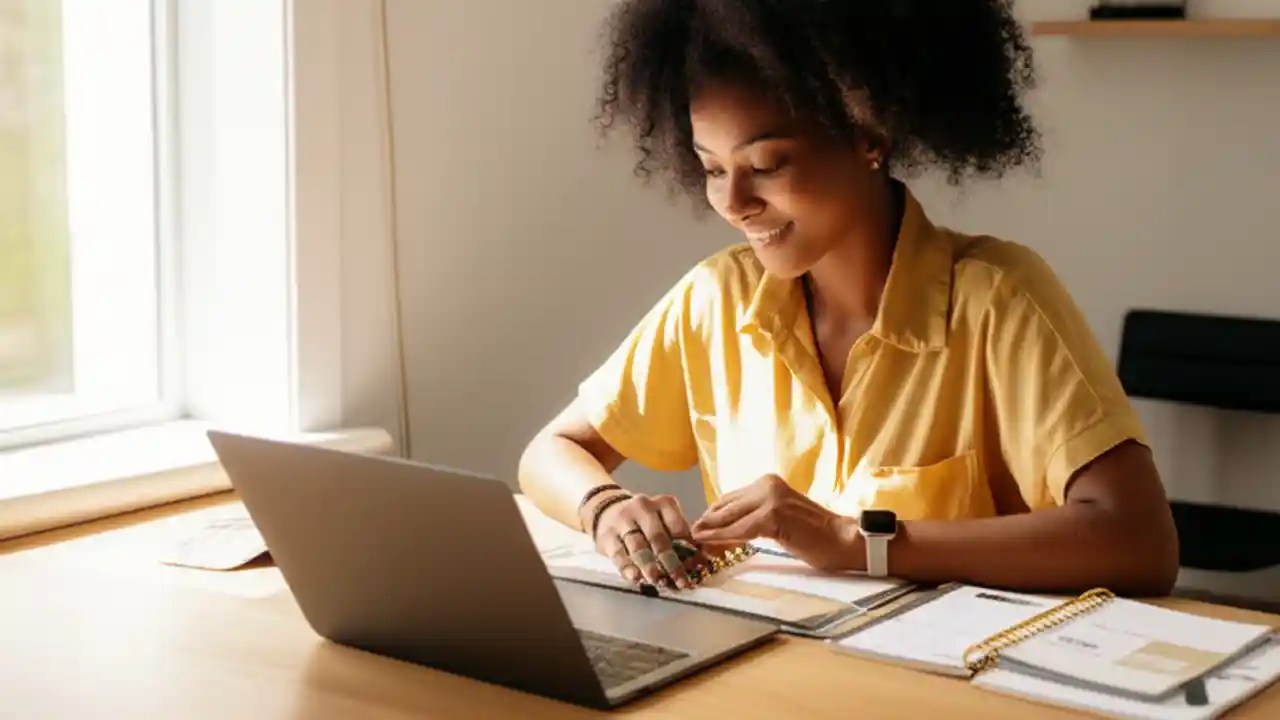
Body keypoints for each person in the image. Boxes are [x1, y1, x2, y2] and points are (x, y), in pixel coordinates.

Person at [518, 0, 1179, 597]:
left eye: (768, 164)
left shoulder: (999, 300)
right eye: (713, 168)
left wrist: (855, 542)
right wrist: (604, 507)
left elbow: (1139, 542)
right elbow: (549, 452)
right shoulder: (716, 300)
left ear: (869, 133)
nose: (734, 203)